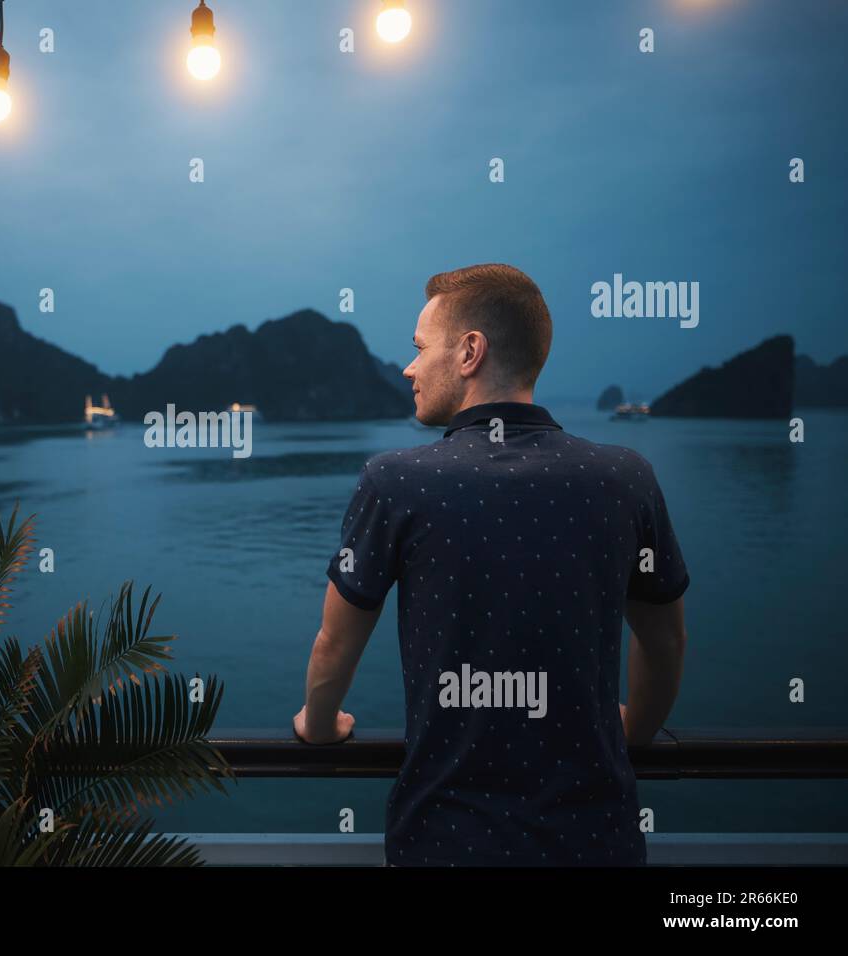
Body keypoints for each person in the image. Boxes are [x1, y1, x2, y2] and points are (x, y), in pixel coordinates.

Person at [293, 263, 689, 866]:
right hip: (594, 843)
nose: (408, 368)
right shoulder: (623, 478)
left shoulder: (397, 481)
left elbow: (334, 645)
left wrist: (318, 726)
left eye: (420, 348)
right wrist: (632, 731)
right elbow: (665, 644)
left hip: (444, 843)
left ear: (469, 351)